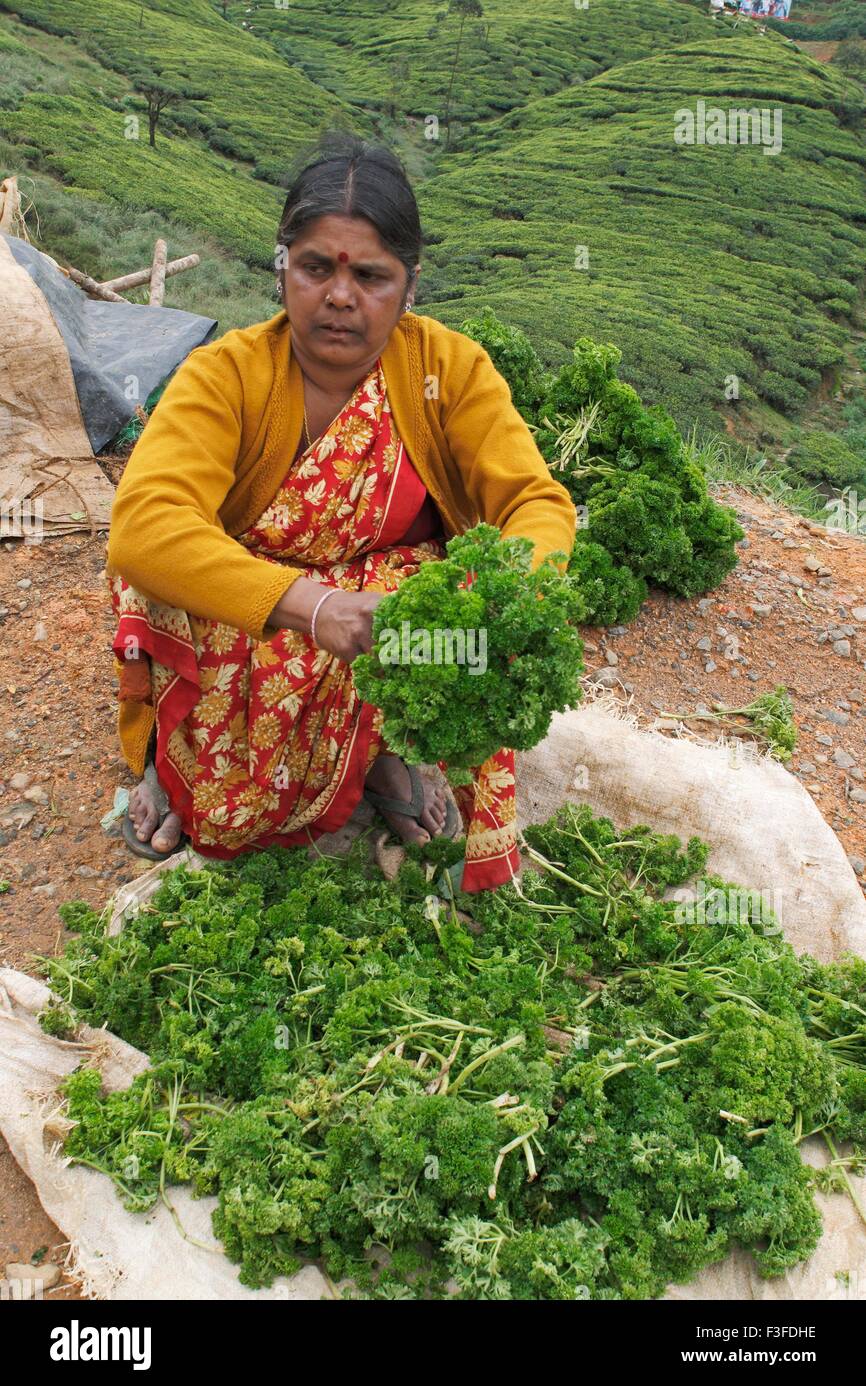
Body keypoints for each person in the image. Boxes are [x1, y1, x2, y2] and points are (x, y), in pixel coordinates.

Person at [106, 133, 576, 894]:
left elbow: (535, 503)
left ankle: (383, 749)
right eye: (316, 267)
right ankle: (170, 749)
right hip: (256, 609)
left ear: (410, 284)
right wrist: (317, 608)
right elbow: (145, 524)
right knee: (158, 575)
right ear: (282, 266)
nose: (340, 296)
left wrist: (497, 602)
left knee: (446, 608)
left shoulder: (447, 372)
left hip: (380, 620)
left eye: (372, 276)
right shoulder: (227, 374)